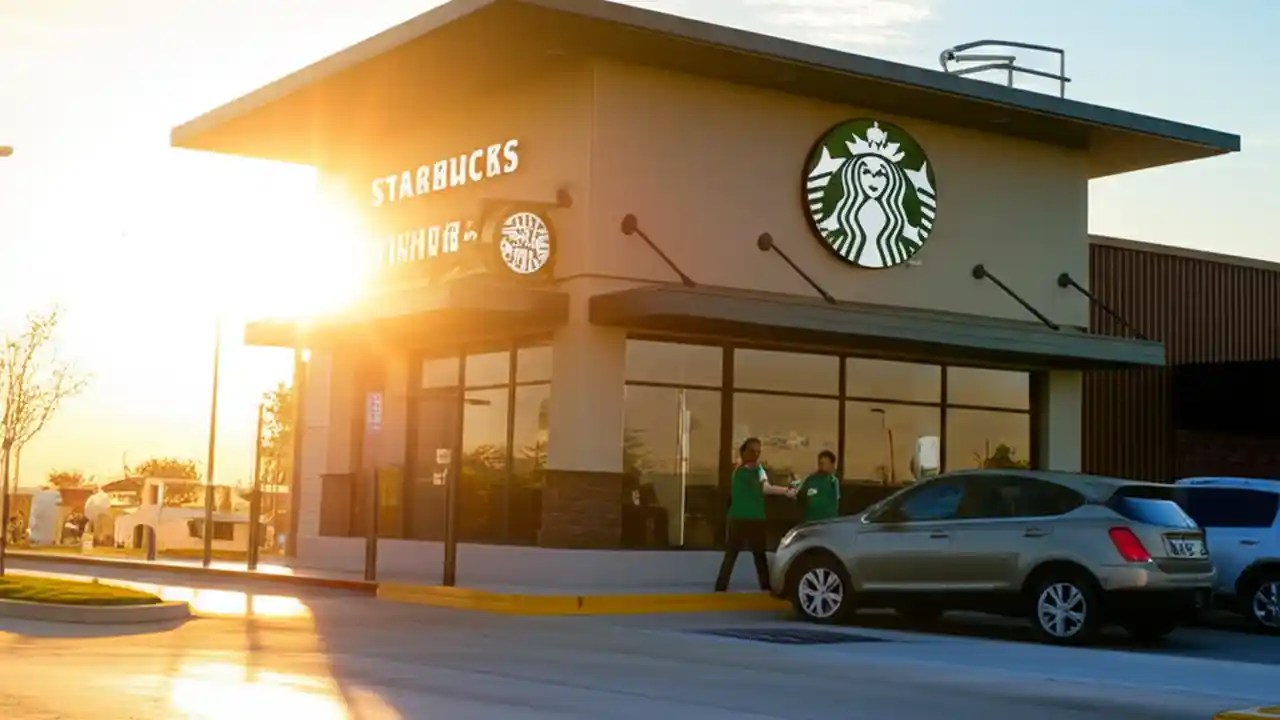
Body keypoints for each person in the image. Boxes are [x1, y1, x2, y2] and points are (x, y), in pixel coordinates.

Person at [714, 437, 793, 592]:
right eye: (751, 451)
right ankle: (721, 586)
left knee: (758, 555)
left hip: (755, 518)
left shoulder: (756, 470)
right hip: (740, 517)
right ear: (743, 452)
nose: (755, 455)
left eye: (758, 452)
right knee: (733, 554)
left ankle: (764, 586)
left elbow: (765, 486)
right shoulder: (743, 471)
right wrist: (786, 491)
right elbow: (765, 488)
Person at [796, 450, 841, 523]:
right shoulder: (811, 479)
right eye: (820, 463)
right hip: (810, 521)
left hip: (828, 522)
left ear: (832, 464)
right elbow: (801, 495)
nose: (822, 466)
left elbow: (838, 502)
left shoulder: (834, 480)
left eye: (825, 463)